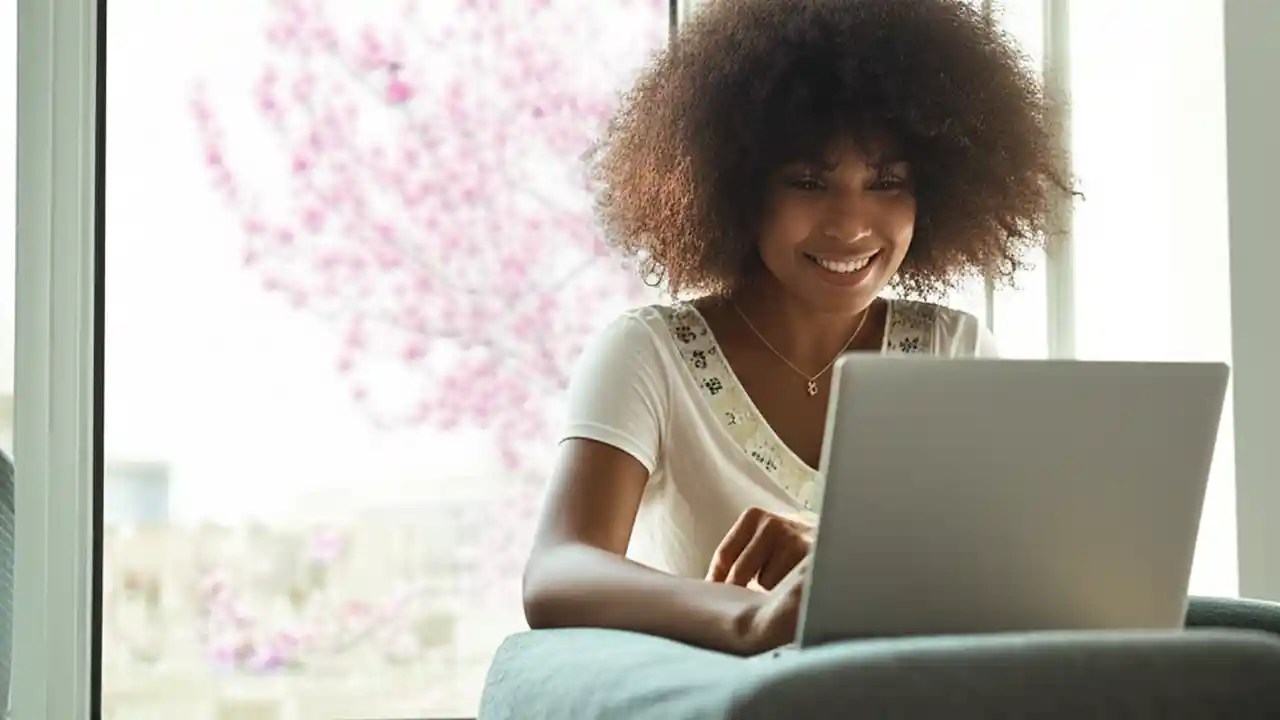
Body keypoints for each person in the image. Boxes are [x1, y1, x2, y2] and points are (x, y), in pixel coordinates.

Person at [522, 0, 1070, 656]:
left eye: (887, 182)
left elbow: (1005, 579)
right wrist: (748, 618)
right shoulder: (648, 354)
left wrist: (848, 568)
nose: (851, 225)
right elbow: (558, 570)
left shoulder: (954, 350)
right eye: (809, 182)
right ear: (738, 185)